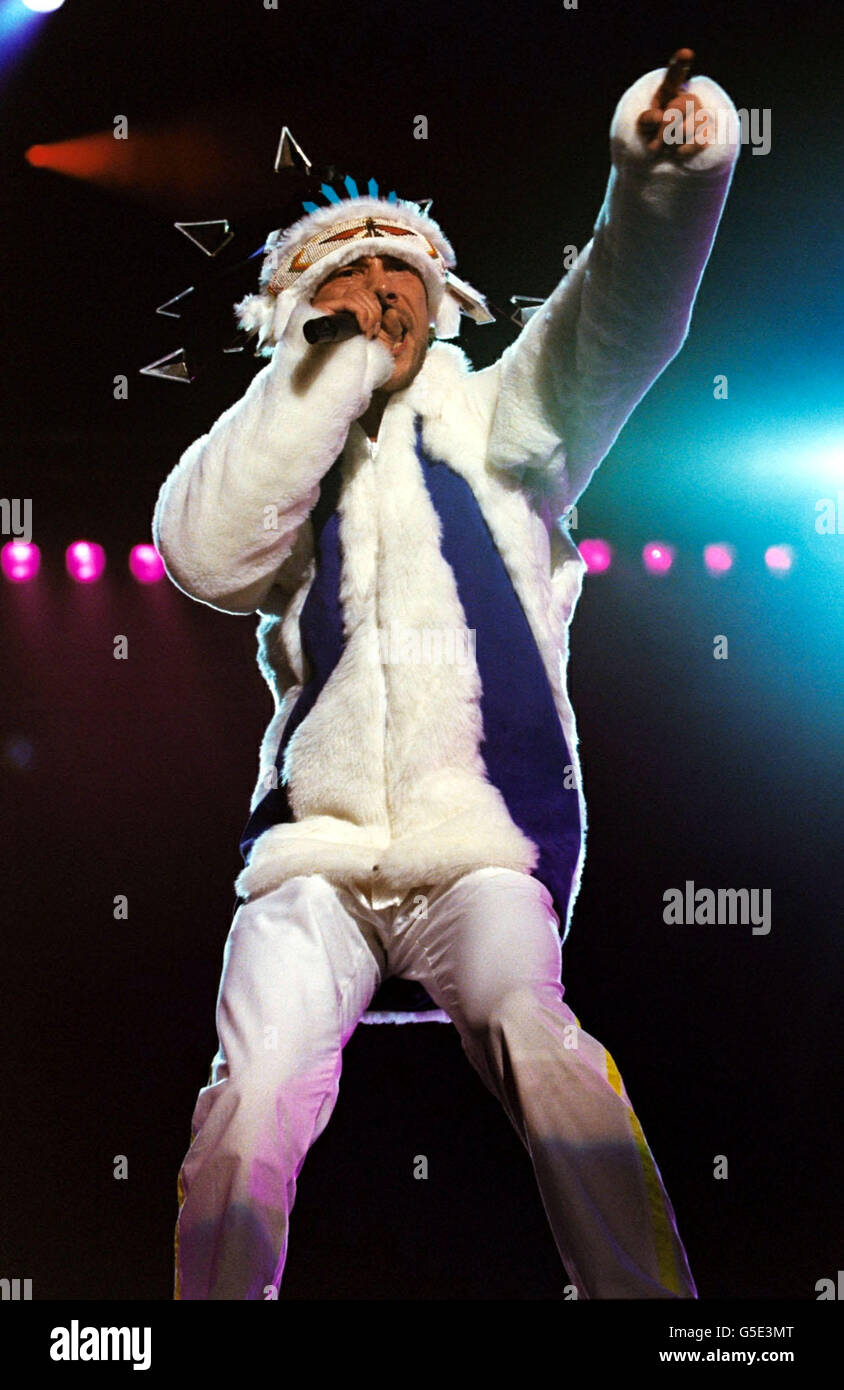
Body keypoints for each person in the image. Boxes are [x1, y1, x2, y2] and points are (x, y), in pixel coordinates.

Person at [152, 50, 740, 1299]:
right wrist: (322, 374)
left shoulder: (504, 421)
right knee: (250, 1090)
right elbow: (201, 549)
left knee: (544, 1043)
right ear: (306, 307)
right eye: (349, 276)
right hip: (315, 855)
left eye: (400, 271)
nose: (380, 292)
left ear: (442, 293)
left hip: (482, 847)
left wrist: (664, 178)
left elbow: (619, 315)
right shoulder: (283, 452)